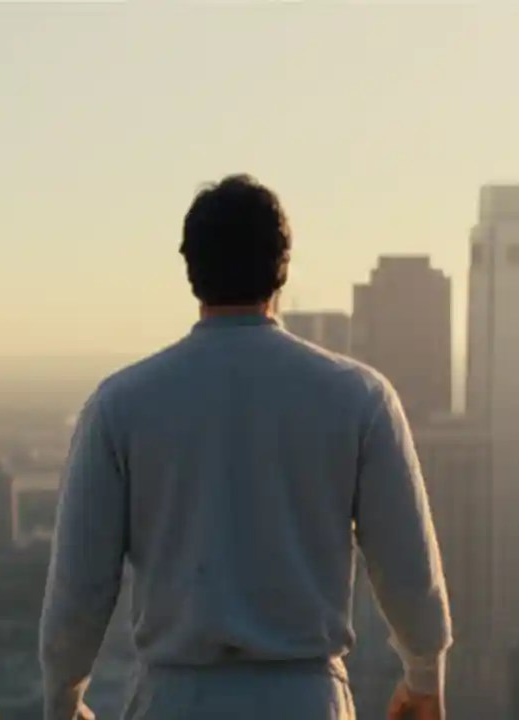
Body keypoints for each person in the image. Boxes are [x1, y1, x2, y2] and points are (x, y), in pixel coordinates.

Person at [40, 174, 452, 720]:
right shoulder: (360, 398)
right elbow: (410, 574)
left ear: (191, 270)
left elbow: (78, 591)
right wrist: (424, 681)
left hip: (173, 700)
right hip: (306, 700)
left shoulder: (120, 405)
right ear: (282, 266)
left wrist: (64, 703)